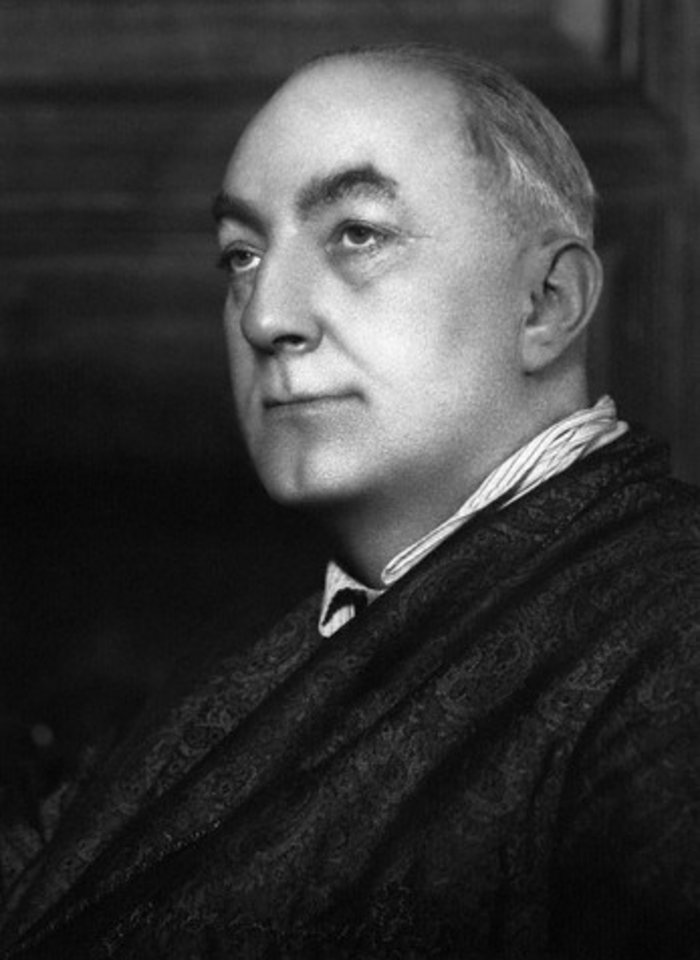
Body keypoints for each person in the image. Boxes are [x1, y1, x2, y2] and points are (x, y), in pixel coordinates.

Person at [1, 43, 699, 959]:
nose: (265, 316)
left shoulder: (674, 630)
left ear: (545, 302)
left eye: (358, 235)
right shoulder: (246, 640)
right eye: (242, 254)